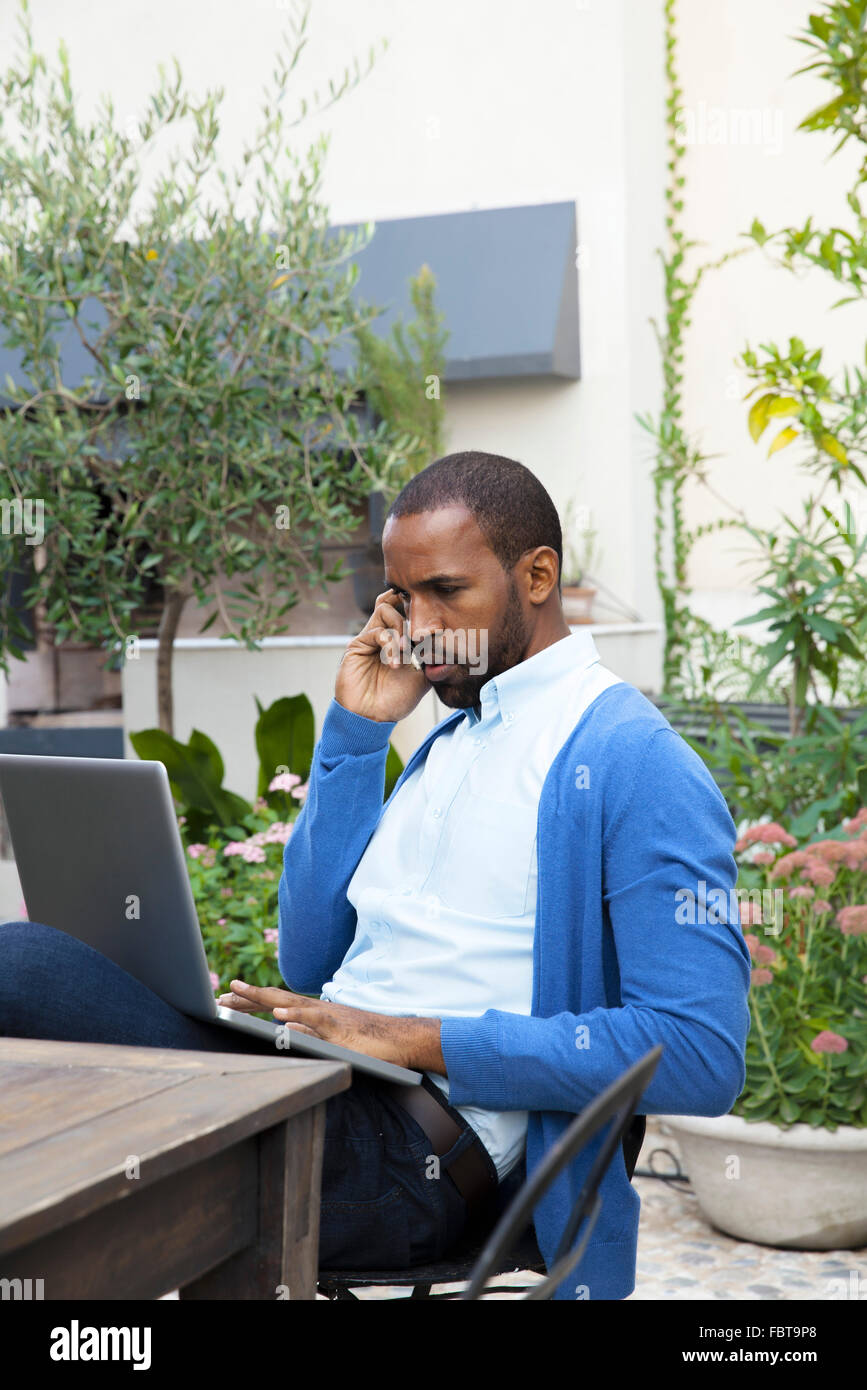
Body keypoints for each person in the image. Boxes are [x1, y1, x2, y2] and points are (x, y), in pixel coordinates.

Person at [0, 450, 751, 1300]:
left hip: (415, 1157)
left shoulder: (630, 760)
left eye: (446, 591)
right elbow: (308, 960)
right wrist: (355, 736)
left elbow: (698, 1054)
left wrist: (408, 1038)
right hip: (312, 1086)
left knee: (21, 968)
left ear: (536, 575)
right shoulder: (450, 740)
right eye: (400, 597)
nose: (418, 625)